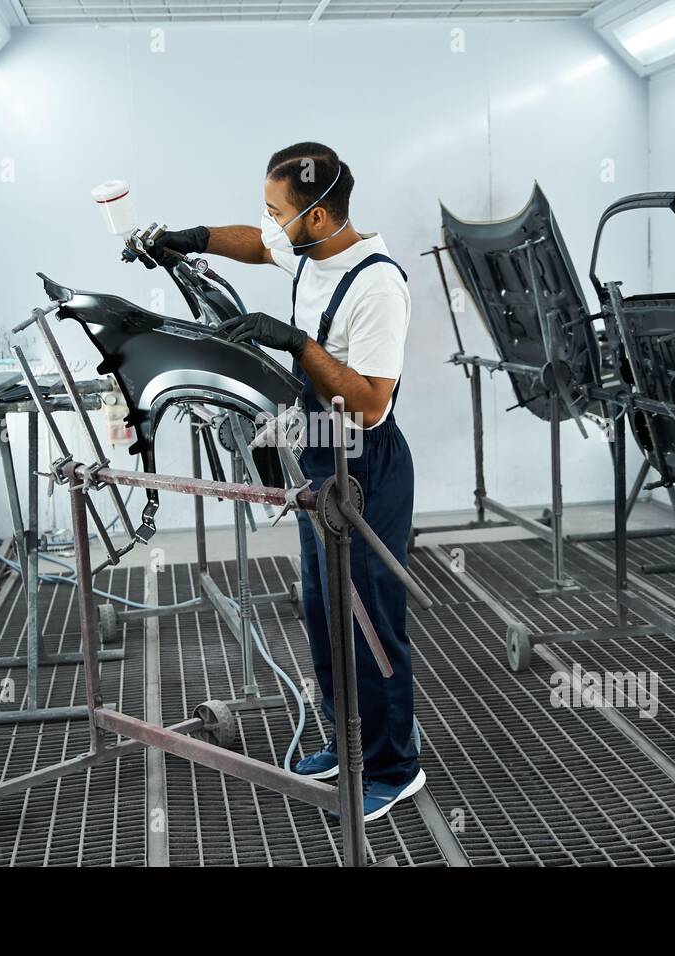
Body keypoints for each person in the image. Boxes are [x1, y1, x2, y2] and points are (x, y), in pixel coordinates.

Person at [155, 142, 423, 821]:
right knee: (324, 609)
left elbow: (370, 403)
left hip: (365, 461)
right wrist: (195, 241)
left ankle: (395, 766)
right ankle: (345, 739)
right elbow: (257, 246)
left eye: (279, 212)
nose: (269, 225)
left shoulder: (376, 284)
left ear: (322, 215)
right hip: (318, 456)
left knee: (369, 622)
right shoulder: (309, 252)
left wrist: (300, 345)